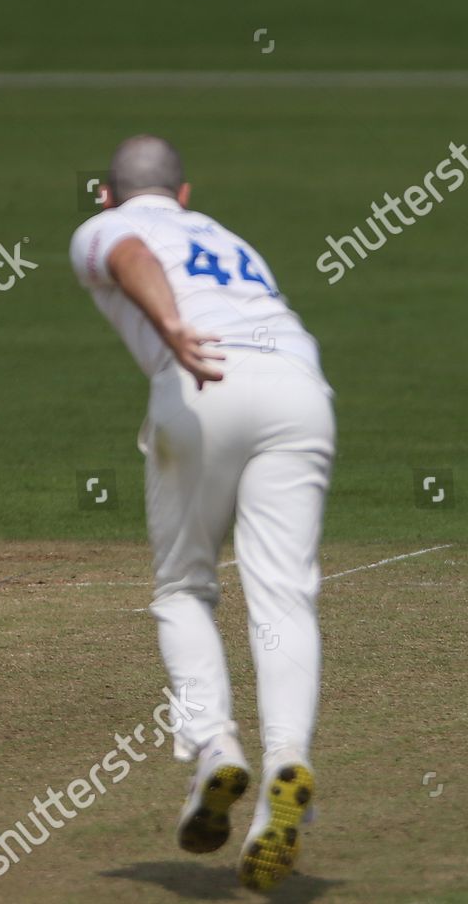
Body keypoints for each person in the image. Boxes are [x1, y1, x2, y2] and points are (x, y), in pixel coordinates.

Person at [69, 136, 334, 889]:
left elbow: (129, 254)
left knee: (185, 589)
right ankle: (288, 762)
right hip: (298, 387)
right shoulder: (226, 235)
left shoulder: (102, 228)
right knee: (284, 592)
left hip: (203, 381)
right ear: (185, 194)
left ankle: (217, 751)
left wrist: (170, 326)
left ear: (105, 194)